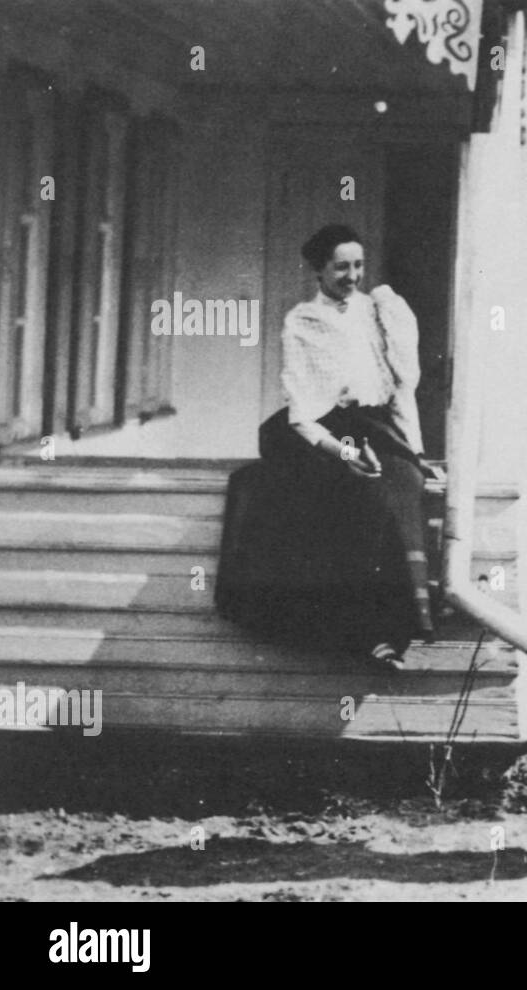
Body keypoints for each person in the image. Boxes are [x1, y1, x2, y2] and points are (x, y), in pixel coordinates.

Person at [216, 224, 435, 670]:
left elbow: (399, 389)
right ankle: (350, 632)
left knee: (400, 485)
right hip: (319, 432)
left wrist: (414, 451)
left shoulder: (378, 311)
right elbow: (302, 414)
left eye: (358, 265)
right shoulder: (302, 322)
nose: (352, 275)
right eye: (341, 267)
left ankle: (393, 630)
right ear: (319, 270)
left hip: (374, 426)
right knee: (351, 496)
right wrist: (344, 454)